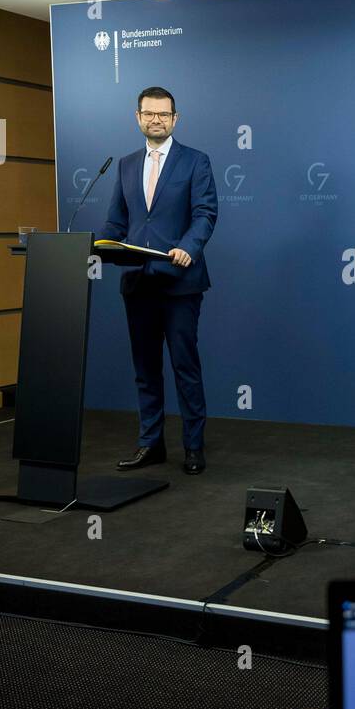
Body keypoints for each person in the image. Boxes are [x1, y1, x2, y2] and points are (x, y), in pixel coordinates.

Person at [101, 87, 217, 475]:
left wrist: (190, 247)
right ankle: (150, 445)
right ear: (138, 118)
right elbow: (118, 221)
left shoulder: (195, 162)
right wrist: (102, 244)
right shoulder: (126, 164)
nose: (156, 120)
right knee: (145, 369)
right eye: (149, 114)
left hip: (180, 282)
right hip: (138, 283)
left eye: (163, 115)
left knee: (185, 367)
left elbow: (205, 214)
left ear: (175, 119)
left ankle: (194, 448)